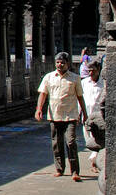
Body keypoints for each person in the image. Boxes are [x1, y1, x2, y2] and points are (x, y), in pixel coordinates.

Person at [36, 51, 88, 181]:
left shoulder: (75, 78)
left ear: (68, 64)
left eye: (62, 63)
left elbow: (80, 97)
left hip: (70, 115)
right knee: (56, 143)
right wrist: (39, 109)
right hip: (54, 114)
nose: (60, 65)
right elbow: (43, 94)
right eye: (58, 62)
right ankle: (59, 169)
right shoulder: (49, 77)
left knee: (70, 142)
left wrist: (85, 114)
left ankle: (75, 171)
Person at [81, 57, 106, 173]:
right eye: (89, 70)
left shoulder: (103, 83)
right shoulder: (84, 82)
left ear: (99, 69)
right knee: (88, 138)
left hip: (98, 116)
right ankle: (94, 160)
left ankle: (94, 162)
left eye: (93, 70)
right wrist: (79, 112)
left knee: (96, 137)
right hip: (86, 114)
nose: (91, 73)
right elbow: (80, 98)